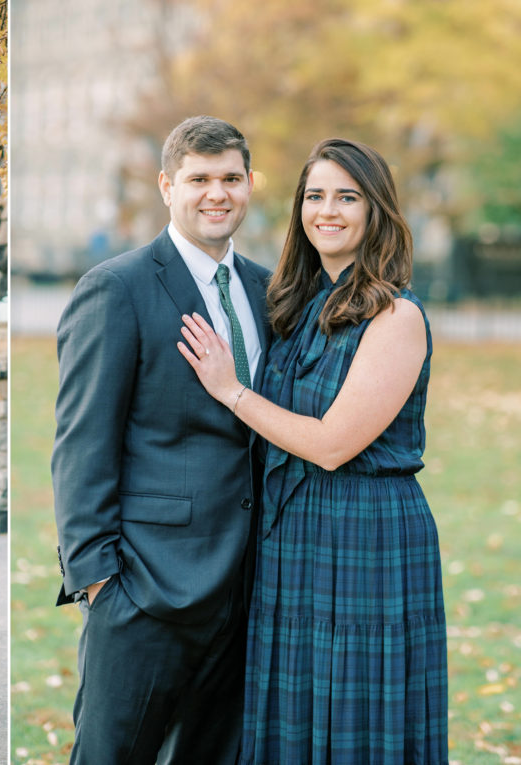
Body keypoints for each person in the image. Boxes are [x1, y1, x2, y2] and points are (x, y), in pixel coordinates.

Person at [176, 137, 448, 763]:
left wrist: (230, 390)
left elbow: (331, 445)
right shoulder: (295, 307)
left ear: (376, 210)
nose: (328, 210)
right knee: (293, 713)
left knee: (358, 713)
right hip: (292, 536)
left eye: (348, 196)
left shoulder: (395, 316)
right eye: (315, 195)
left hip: (367, 536)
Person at [52, 115, 272, 764]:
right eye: (200, 179)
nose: (217, 193)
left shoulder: (269, 290)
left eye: (231, 178)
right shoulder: (116, 288)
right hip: (143, 593)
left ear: (249, 185)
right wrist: (100, 585)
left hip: (246, 595)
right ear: (166, 185)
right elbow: (81, 443)